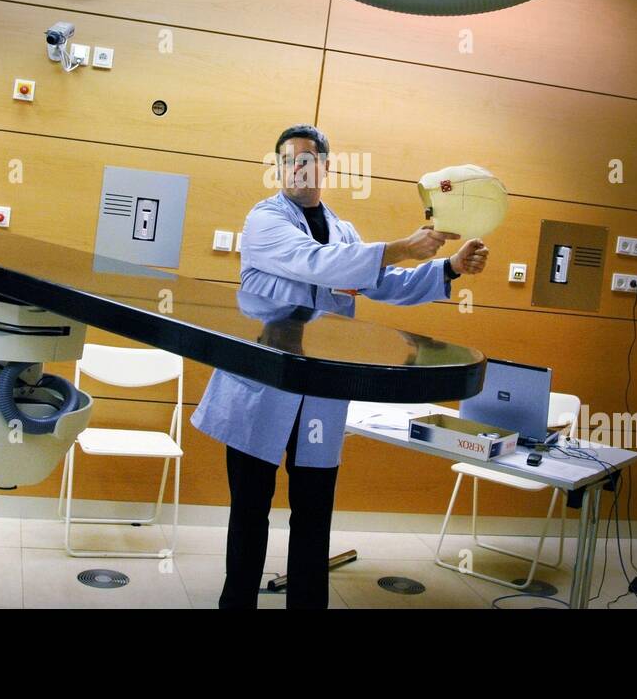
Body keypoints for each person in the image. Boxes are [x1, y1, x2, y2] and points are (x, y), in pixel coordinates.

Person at [191, 124, 489, 608]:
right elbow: (319, 263)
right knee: (250, 510)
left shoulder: (344, 230)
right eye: (289, 160)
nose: (298, 168)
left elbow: (384, 282)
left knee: (314, 515)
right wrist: (399, 246)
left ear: (326, 167)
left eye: (309, 159)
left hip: (319, 394)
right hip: (262, 387)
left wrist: (448, 267)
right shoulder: (264, 220)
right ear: (279, 167)